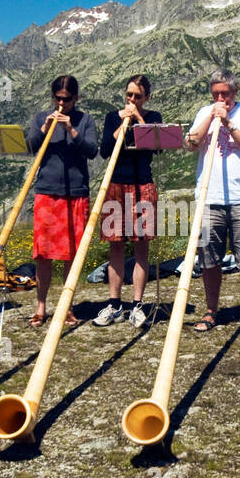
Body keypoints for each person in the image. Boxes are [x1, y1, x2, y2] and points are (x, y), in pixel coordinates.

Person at [184, 69, 240, 333]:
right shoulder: (204, 112)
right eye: (216, 94)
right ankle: (211, 311)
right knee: (209, 259)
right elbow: (190, 143)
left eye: (226, 94)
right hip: (209, 198)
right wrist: (210, 117)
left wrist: (229, 124)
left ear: (235, 92)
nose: (221, 99)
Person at [25, 75, 98, 328]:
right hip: (47, 191)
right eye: (57, 98)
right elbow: (31, 147)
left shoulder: (85, 119)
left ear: (75, 98)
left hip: (76, 192)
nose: (61, 103)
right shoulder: (40, 118)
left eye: (67, 99)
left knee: (71, 254)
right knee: (43, 254)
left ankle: (68, 306)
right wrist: (46, 127)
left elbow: (92, 150)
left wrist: (71, 130)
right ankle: (41, 305)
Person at [94, 74, 161, 328]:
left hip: (142, 183)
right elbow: (104, 150)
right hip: (116, 184)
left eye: (137, 96)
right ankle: (114, 303)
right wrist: (121, 124)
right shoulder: (113, 116)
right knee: (116, 246)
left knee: (141, 246)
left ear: (146, 98)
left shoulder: (153, 117)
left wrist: (139, 121)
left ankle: (137, 304)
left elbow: (156, 146)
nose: (132, 100)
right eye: (129, 95)